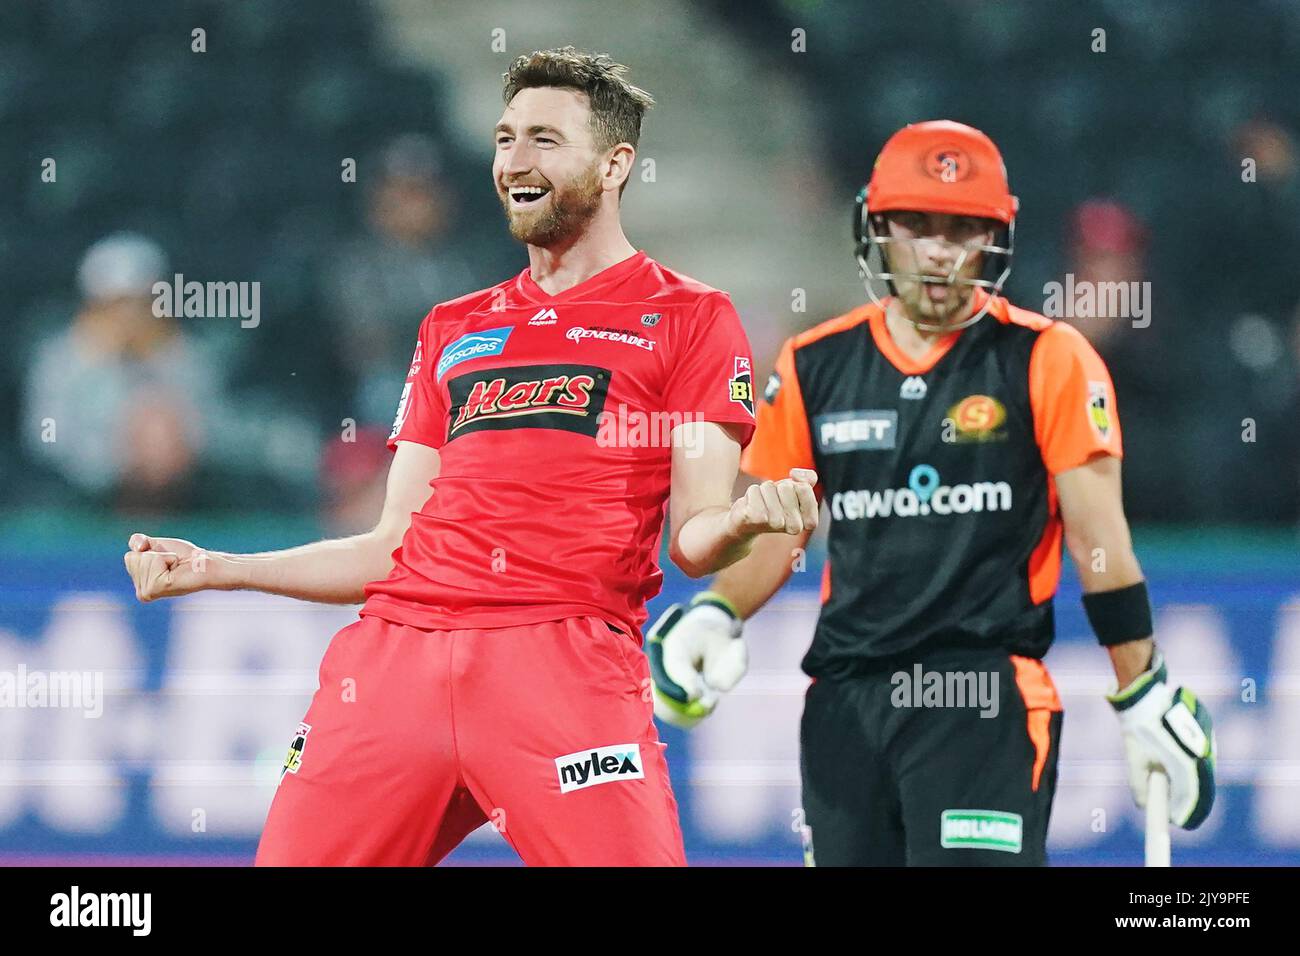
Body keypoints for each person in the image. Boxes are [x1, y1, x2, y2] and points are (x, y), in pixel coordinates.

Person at [122, 47, 815, 866]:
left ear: (616, 162)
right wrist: (215, 566)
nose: (514, 161)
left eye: (545, 140)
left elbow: (692, 539)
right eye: (504, 137)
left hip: (561, 671)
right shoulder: (453, 326)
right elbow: (389, 548)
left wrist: (743, 518)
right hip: (391, 669)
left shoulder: (691, 318)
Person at [648, 120, 1217, 866]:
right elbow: (782, 530)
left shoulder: (1048, 358)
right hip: (845, 702)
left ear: (994, 240)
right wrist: (719, 611)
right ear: (878, 230)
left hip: (984, 699)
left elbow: (1099, 541)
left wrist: (1140, 689)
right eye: (919, 226)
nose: (941, 251)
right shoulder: (814, 363)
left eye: (963, 229)